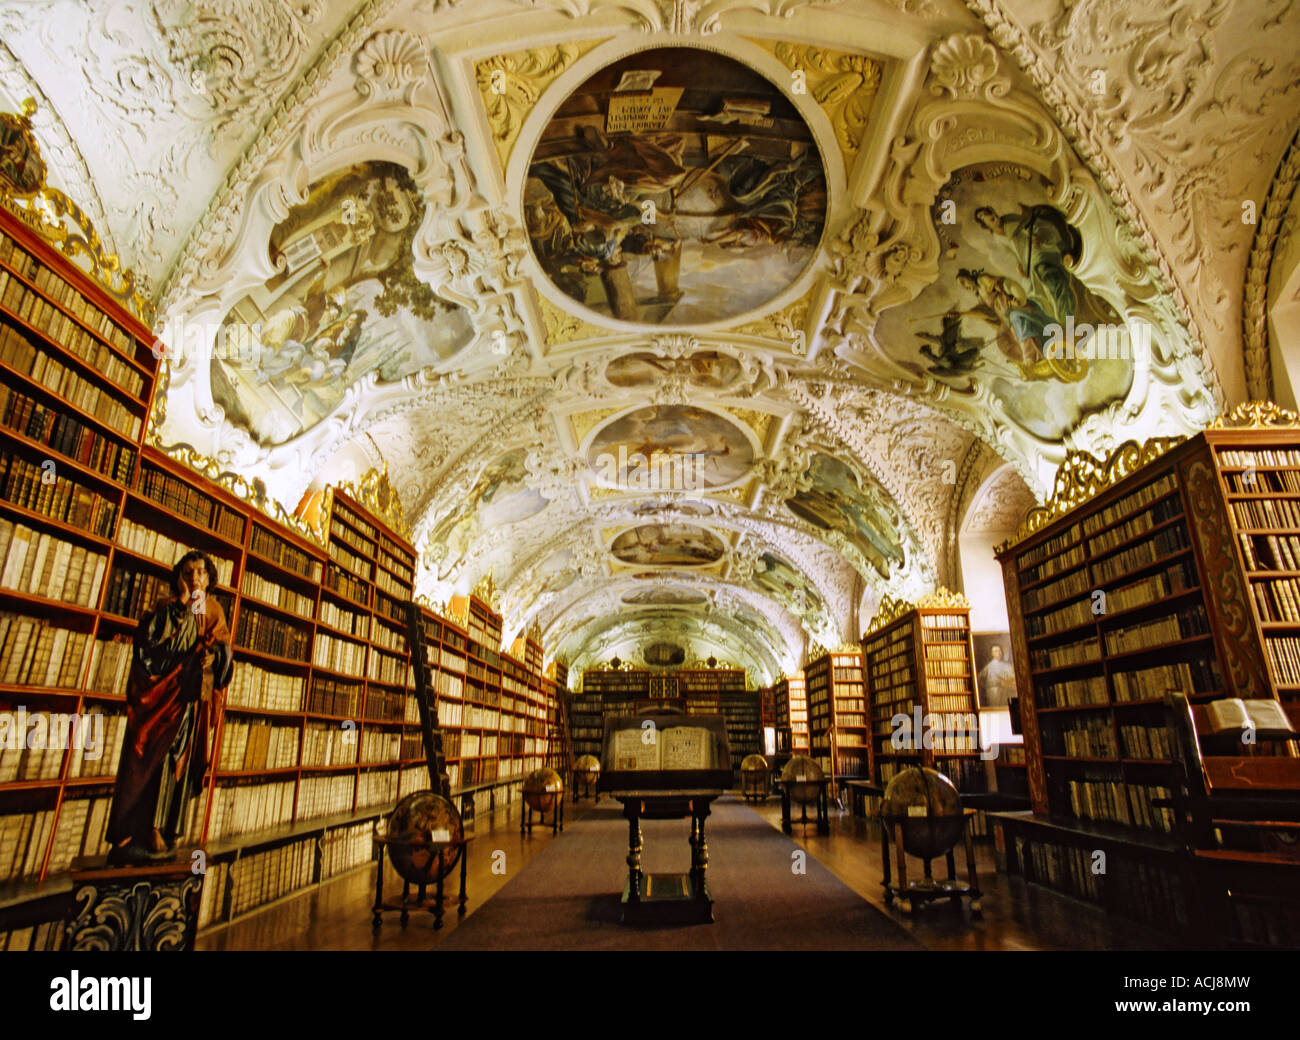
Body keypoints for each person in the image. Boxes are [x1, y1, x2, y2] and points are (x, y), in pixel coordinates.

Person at [106, 551, 233, 865]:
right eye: (188, 572)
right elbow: (150, 649)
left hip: (191, 703)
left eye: (201, 572)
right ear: (178, 576)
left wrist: (213, 659)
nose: (195, 578)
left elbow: (225, 659)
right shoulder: (166, 608)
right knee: (155, 760)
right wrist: (181, 609)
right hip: (162, 700)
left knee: (181, 766)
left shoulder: (215, 611)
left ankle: (170, 827)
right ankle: (142, 829)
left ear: (210, 578)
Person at [978, 643, 1017, 709]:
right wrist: (987, 686)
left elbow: (1013, 678)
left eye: (1000, 650)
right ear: (992, 654)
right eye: (996, 651)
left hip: (1006, 692)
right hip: (994, 692)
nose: (999, 653)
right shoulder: (989, 666)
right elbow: (979, 678)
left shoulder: (1008, 665)